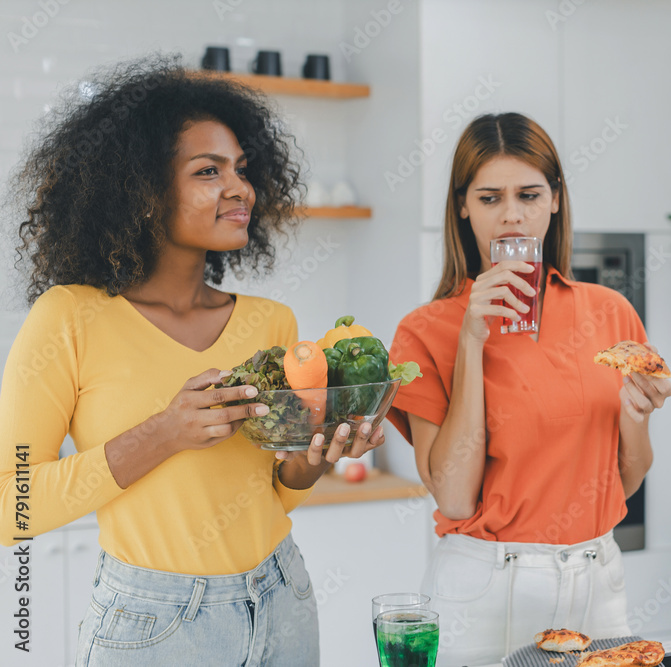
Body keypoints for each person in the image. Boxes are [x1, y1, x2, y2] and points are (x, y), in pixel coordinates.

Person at [0, 55, 383, 666]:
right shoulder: (68, 318)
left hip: (282, 596)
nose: (240, 188)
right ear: (142, 191)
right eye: (208, 171)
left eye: (242, 169)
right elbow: (11, 505)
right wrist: (163, 433)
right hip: (154, 623)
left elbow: (272, 493)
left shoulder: (272, 323)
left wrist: (313, 461)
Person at [386, 112, 671, 666]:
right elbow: (452, 496)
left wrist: (635, 415)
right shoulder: (425, 331)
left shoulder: (610, 313)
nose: (512, 217)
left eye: (529, 194)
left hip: (598, 583)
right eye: (490, 198)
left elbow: (626, 481)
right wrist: (471, 339)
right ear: (463, 205)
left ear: (556, 200)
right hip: (486, 589)